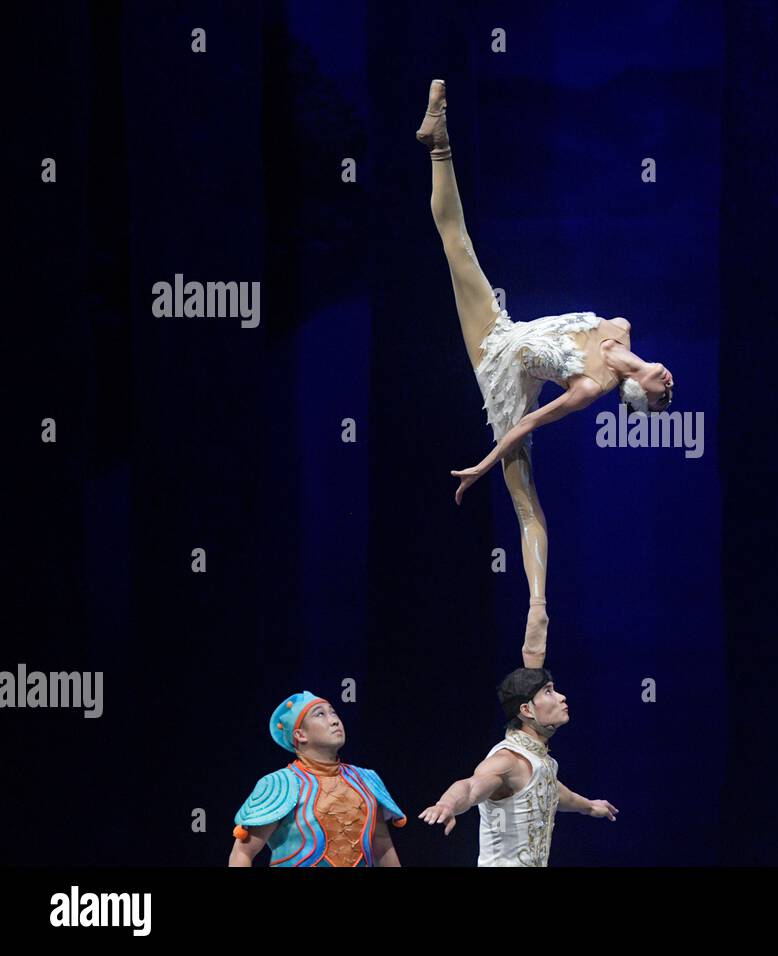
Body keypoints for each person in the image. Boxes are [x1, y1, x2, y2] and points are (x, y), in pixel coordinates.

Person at [417, 78, 675, 667]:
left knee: (525, 501)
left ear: (636, 393)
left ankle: (537, 607)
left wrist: (484, 464)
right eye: (669, 388)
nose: (670, 384)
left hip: (499, 374)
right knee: (457, 244)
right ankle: (438, 138)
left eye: (663, 396)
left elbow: (528, 420)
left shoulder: (591, 389)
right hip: (505, 333)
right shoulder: (622, 327)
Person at [418, 668, 617, 866]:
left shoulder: (540, 761)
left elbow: (552, 790)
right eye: (548, 691)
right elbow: (470, 787)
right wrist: (447, 804)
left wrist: (589, 806)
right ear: (527, 710)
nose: (562, 697)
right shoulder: (508, 760)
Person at [228, 691, 405, 867]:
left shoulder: (366, 780)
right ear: (300, 735)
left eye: (333, 712)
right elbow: (242, 853)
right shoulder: (280, 784)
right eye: (320, 714)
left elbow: (383, 848)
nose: (335, 720)